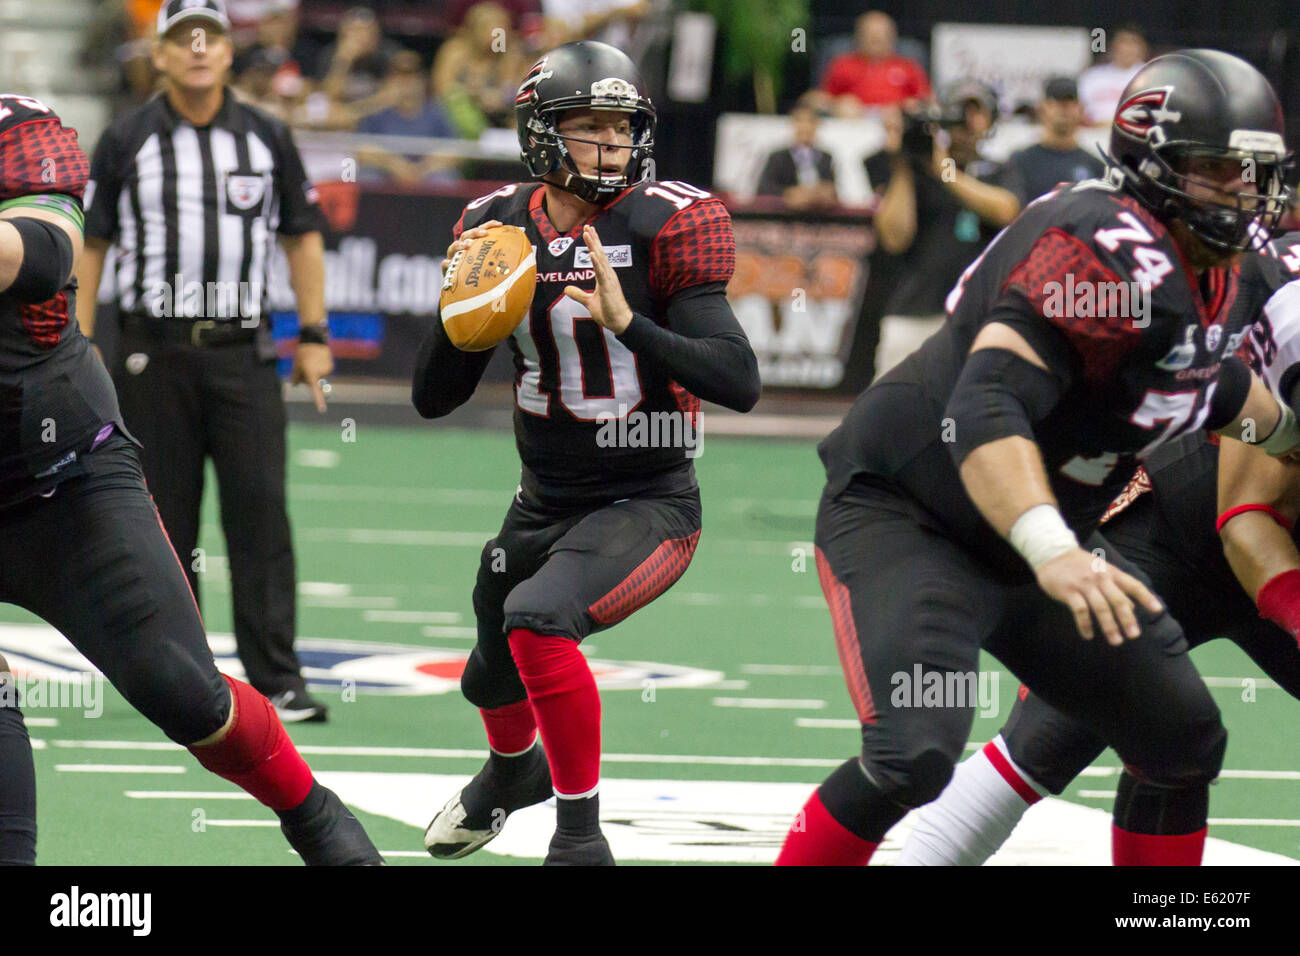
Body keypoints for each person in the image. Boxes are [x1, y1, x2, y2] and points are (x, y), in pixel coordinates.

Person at [774, 49, 1296, 867]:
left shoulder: (1222, 276)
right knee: (915, 755)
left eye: (1253, 171)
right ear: (1153, 166)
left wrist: (1289, 437)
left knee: (1182, 737)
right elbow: (986, 406)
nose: (1242, 191)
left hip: (1037, 540)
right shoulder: (1103, 246)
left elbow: (1228, 392)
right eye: (1219, 170)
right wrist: (1054, 550)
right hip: (920, 517)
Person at [0, 91, 380, 866]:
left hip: (60, 477)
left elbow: (39, 252)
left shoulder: (19, 132)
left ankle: (309, 811)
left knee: (183, 691)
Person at [414, 40, 761, 865]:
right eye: (588, 128)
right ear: (540, 135)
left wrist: (631, 324)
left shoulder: (669, 219)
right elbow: (435, 398)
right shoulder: (493, 224)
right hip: (544, 499)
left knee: (539, 621)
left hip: (651, 499)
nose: (611, 147)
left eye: (622, 128)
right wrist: (464, 314)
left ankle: (579, 835)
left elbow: (740, 379)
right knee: (487, 676)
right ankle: (510, 773)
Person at [897, 233, 1300, 865]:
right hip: (1181, 528)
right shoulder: (1288, 320)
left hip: (1256, 537)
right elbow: (1246, 516)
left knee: (1176, 745)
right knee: (1048, 744)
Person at [75, 0, 334, 723]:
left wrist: (312, 334)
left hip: (243, 354)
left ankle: (277, 675)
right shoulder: (126, 138)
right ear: (159, 55)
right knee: (162, 521)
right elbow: (91, 245)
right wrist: (80, 343)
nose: (196, 50)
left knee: (260, 516)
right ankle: (176, 673)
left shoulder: (266, 137)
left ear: (227, 52)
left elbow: (302, 234)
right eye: (182, 40)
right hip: (152, 354)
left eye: (210, 38)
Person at [866, 82, 1020, 378]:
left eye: (976, 112)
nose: (967, 121)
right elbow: (894, 237)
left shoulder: (999, 170)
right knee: (894, 413)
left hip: (978, 316)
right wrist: (903, 164)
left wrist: (944, 170)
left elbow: (1006, 210)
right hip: (916, 312)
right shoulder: (915, 170)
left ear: (990, 120)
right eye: (960, 112)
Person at [354, 50, 460, 185]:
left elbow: (454, 150)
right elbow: (362, 150)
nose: (406, 82)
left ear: (422, 80)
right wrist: (396, 166)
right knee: (367, 176)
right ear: (389, 79)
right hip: (386, 171)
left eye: (411, 76)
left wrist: (422, 169)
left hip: (426, 173)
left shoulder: (436, 111)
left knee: (444, 180)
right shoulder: (377, 110)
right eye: (399, 76)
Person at [1001, 76, 1105, 206]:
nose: (1064, 109)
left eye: (1070, 103)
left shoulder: (1095, 166)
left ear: (1081, 109)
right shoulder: (1020, 161)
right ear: (1042, 108)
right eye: (1057, 102)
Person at [815, 11, 930, 115]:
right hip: (853, 122)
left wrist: (910, 105)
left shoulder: (907, 66)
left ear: (892, 37)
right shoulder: (842, 64)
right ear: (858, 37)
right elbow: (823, 99)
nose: (876, 39)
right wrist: (840, 104)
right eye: (870, 35)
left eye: (881, 35)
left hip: (895, 123)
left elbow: (926, 99)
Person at [754, 99, 838, 209]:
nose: (805, 126)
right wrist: (788, 193)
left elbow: (833, 190)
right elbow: (764, 188)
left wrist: (821, 193)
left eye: (810, 121)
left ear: (817, 124)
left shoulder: (826, 158)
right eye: (799, 121)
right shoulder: (778, 157)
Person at [1078, 23, 1148, 125]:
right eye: (1123, 42)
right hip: (1093, 134)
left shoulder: (1149, 75)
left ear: (1143, 47)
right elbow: (1078, 110)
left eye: (1133, 43)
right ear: (1113, 46)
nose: (1127, 48)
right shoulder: (1092, 76)